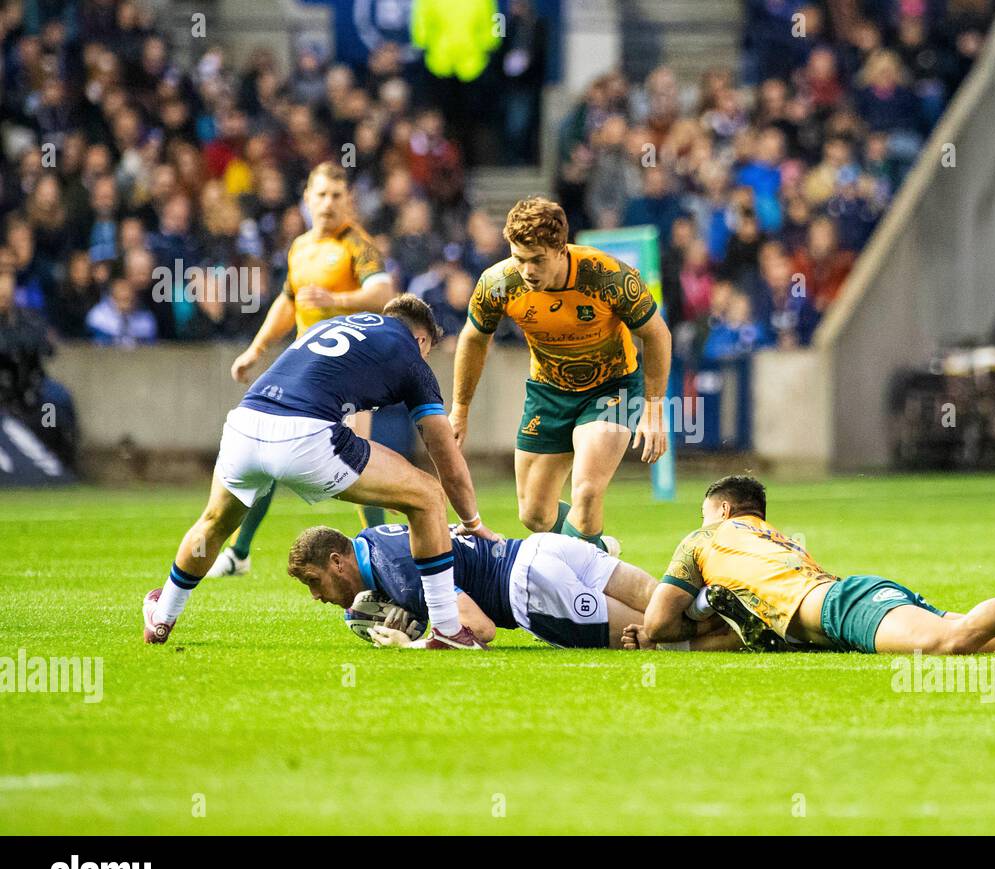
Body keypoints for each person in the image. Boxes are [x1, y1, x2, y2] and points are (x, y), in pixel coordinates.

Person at [142, 295, 495, 649]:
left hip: (245, 424)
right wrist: (473, 521)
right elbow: (444, 453)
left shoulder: (336, 325)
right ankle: (448, 629)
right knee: (428, 496)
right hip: (304, 436)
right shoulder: (410, 354)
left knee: (213, 524)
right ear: (422, 340)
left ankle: (163, 615)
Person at [628, 476, 995, 656]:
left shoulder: (705, 538)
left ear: (722, 509)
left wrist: (670, 632)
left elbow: (656, 623)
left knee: (953, 641)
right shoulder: (768, 540)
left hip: (847, 607)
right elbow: (758, 631)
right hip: (849, 601)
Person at [451, 197, 672, 552]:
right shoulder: (498, 283)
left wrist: (654, 407)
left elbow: (657, 333)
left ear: (560, 250)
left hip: (612, 386)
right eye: (519, 258)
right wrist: (460, 409)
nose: (527, 270)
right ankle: (596, 550)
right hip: (548, 391)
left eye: (537, 259)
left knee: (585, 490)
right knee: (535, 515)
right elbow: (474, 339)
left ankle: (577, 595)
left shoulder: (607, 276)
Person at [215, 162, 397, 576]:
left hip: (350, 375)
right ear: (308, 199)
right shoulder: (299, 247)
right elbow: (288, 300)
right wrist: (256, 348)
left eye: (336, 195)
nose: (328, 203)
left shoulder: (358, 245)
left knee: (360, 464)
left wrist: (336, 298)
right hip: (302, 375)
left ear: (348, 200)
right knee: (264, 456)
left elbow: (383, 291)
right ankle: (239, 553)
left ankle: (382, 557)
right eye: (321, 194)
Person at [286, 522, 734, 651]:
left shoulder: (404, 575)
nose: (317, 597)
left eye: (315, 582)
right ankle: (750, 610)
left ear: (336, 562)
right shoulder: (373, 537)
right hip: (545, 547)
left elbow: (478, 631)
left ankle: (747, 641)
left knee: (658, 638)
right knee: (668, 605)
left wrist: (413, 642)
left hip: (531, 590)